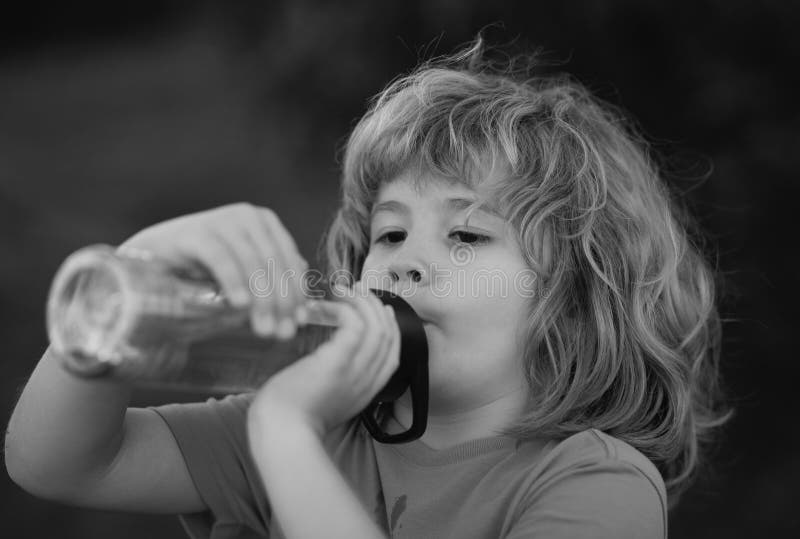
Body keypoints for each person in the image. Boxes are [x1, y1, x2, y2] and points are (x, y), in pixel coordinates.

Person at [5, 37, 730, 538]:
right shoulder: (321, 421)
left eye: (467, 234)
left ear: (577, 300)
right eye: (388, 233)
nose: (403, 263)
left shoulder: (597, 480)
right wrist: (130, 277)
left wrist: (288, 438)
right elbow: (57, 461)